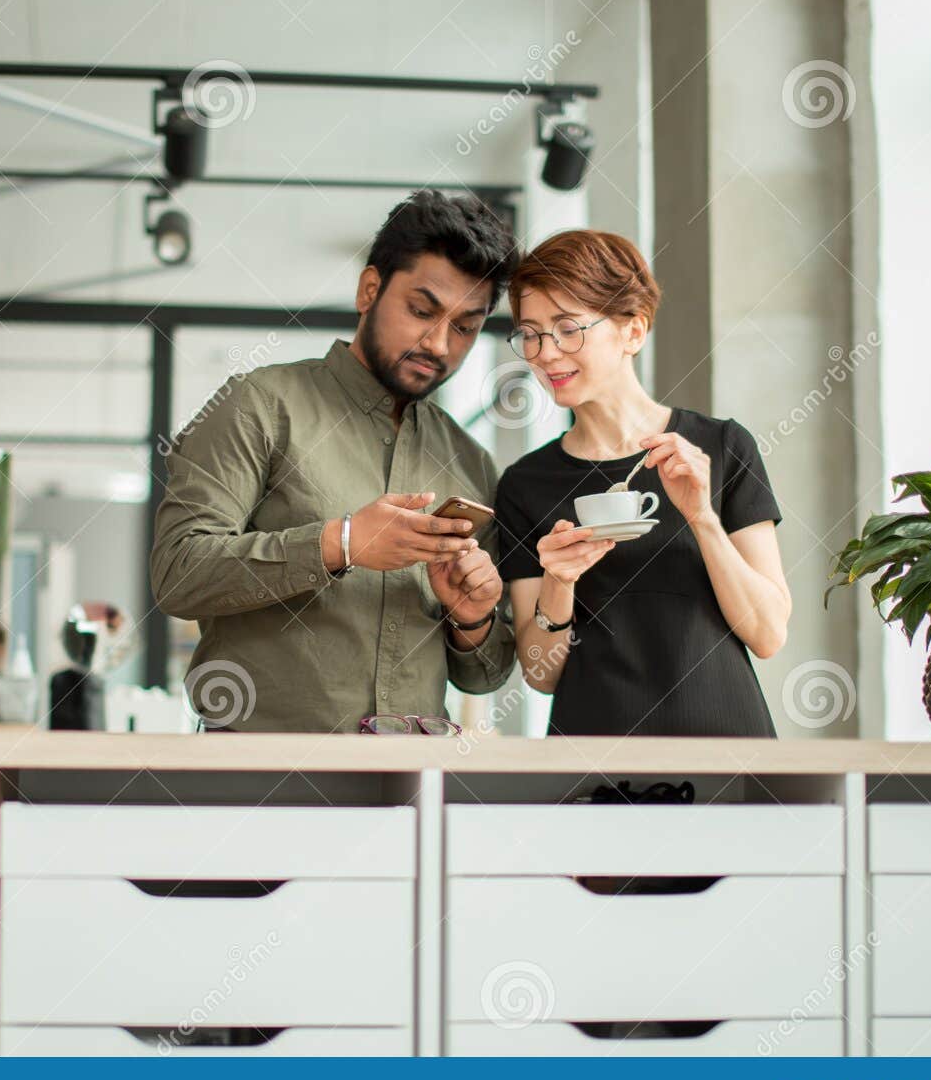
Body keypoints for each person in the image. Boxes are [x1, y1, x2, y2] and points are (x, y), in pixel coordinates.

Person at [151, 190, 519, 732]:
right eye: (422, 310)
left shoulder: (469, 461)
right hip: (265, 781)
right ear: (370, 290)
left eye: (465, 325)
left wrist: (473, 619)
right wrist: (341, 543)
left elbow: (485, 676)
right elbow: (178, 574)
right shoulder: (260, 405)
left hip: (412, 786)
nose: (439, 343)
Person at [493, 230, 792, 736]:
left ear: (632, 332)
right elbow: (542, 676)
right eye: (531, 333)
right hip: (594, 763)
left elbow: (767, 634)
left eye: (567, 329)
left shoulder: (719, 449)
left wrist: (702, 518)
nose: (545, 353)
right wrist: (559, 582)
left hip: (729, 753)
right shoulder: (525, 484)